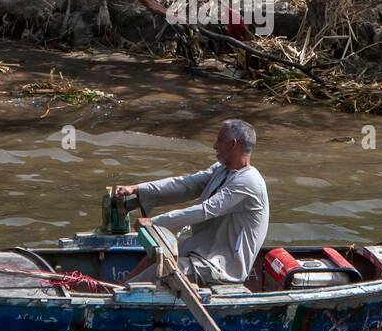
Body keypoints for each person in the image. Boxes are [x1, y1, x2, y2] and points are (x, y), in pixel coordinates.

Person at [114, 119, 269, 287]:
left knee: (161, 270)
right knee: (154, 257)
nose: (214, 146)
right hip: (203, 247)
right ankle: (117, 288)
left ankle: (118, 296)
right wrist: (137, 189)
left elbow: (205, 210)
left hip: (221, 265)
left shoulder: (249, 181)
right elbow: (186, 185)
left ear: (233, 144)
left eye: (219, 140)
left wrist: (154, 222)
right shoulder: (221, 169)